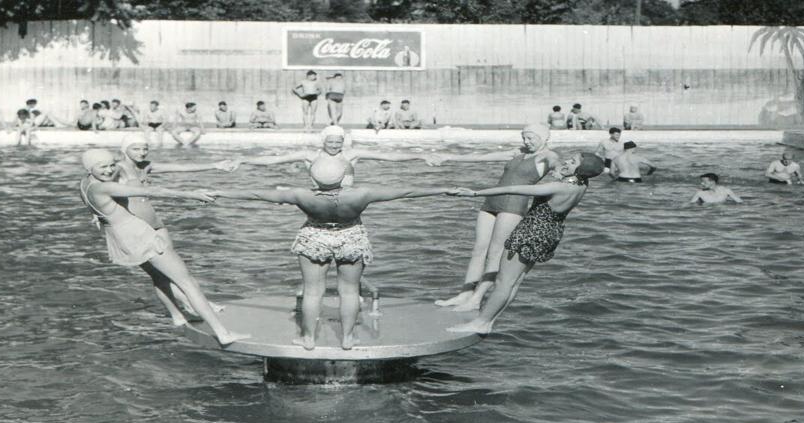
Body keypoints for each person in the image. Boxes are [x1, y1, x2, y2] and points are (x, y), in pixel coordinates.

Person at [212, 155, 455, 351]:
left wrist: (218, 192)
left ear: (314, 179)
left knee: (312, 291)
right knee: (349, 292)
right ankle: (348, 339)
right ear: (344, 177)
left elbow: (257, 195)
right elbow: (406, 192)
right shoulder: (362, 194)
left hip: (314, 237)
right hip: (351, 237)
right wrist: (445, 189)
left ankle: (308, 339)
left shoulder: (301, 195)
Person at [76, 149, 248, 347]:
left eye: (111, 165)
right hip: (139, 234)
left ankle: (178, 316)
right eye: (102, 167)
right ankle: (222, 332)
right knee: (187, 281)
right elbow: (152, 191)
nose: (109, 170)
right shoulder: (103, 188)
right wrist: (190, 194)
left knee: (159, 277)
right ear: (90, 168)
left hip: (119, 236)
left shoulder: (85, 184)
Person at [445, 153, 607, 336]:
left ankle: (480, 322)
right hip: (549, 233)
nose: (567, 161)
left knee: (503, 281)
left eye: (573, 161)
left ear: (580, 170)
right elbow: (568, 181)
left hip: (531, 231)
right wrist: (564, 173)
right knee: (515, 282)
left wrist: (474, 193)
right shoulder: (581, 185)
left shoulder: (558, 187)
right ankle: (489, 321)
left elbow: (514, 189)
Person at [430, 125, 562, 311]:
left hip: (514, 206)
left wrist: (558, 171)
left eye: (531, 138)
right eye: (524, 138)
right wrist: (449, 157)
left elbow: (556, 162)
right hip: (492, 201)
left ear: (544, 138)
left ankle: (477, 299)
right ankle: (464, 294)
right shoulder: (518, 152)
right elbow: (482, 157)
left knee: (495, 253)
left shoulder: (547, 156)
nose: (526, 142)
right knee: (478, 250)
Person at [235, 125, 440, 190]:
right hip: (318, 200)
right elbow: (273, 160)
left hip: (345, 200)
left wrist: (419, 156)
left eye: (338, 142)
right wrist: (243, 160)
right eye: (330, 142)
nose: (334, 145)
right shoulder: (310, 155)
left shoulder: (352, 154)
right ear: (323, 141)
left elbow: (387, 156)